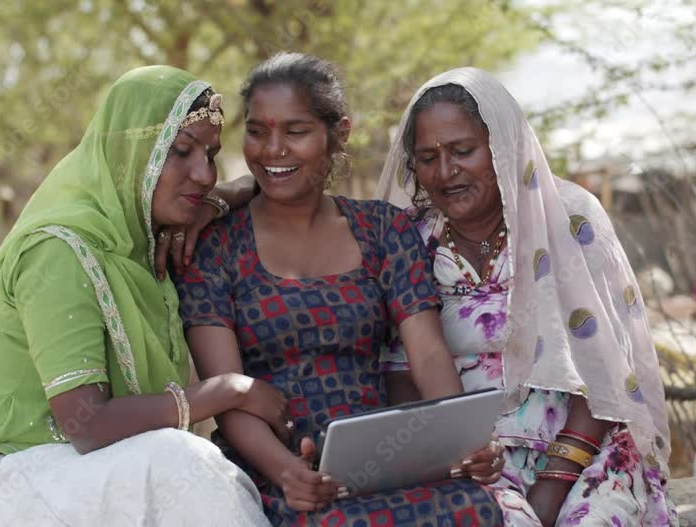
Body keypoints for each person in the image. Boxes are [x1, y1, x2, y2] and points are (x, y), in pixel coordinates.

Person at [0, 66, 274, 526]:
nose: (204, 173)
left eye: (211, 154)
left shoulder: (144, 244)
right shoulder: (59, 250)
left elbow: (254, 184)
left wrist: (216, 201)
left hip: (79, 473)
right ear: (131, 153)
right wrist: (227, 391)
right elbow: (86, 423)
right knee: (178, 462)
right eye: (182, 152)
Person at [174, 53, 507, 526]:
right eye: (256, 131)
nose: (273, 149)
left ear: (338, 134)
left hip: (377, 456)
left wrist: (461, 439)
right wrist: (286, 471)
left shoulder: (381, 229)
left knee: (472, 507)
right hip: (270, 462)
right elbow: (227, 395)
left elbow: (428, 353)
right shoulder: (216, 246)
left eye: (295, 131)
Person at [376, 68, 679, 526]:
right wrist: (455, 456)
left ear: (503, 146)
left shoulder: (568, 221)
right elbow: (399, 373)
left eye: (463, 151)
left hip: (582, 451)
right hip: (469, 463)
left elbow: (605, 372)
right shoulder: (411, 242)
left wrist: (550, 491)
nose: (445, 171)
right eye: (427, 157)